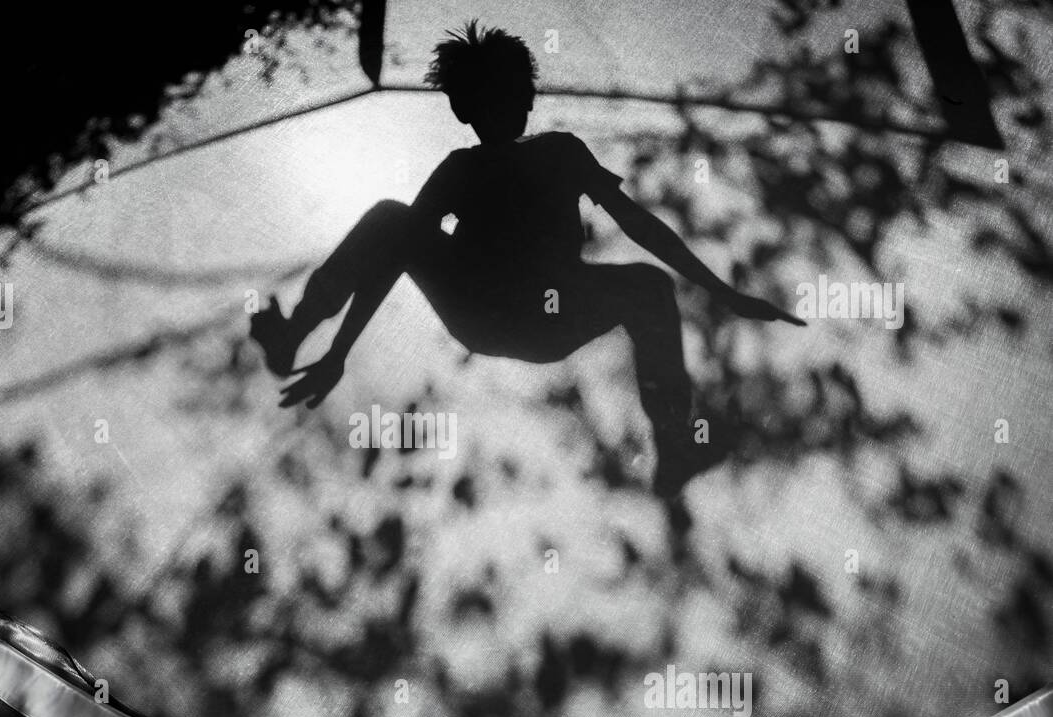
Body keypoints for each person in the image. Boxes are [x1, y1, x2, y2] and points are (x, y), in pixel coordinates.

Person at [250, 20, 803, 497]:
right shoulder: (463, 170)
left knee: (648, 288)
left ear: (530, 97)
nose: (514, 106)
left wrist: (723, 291)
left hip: (541, 314)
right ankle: (295, 333)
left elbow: (637, 223)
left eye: (517, 93)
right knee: (392, 218)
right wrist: (340, 348)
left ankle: (674, 443)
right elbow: (394, 252)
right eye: (496, 97)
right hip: (488, 309)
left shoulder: (558, 153)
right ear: (467, 109)